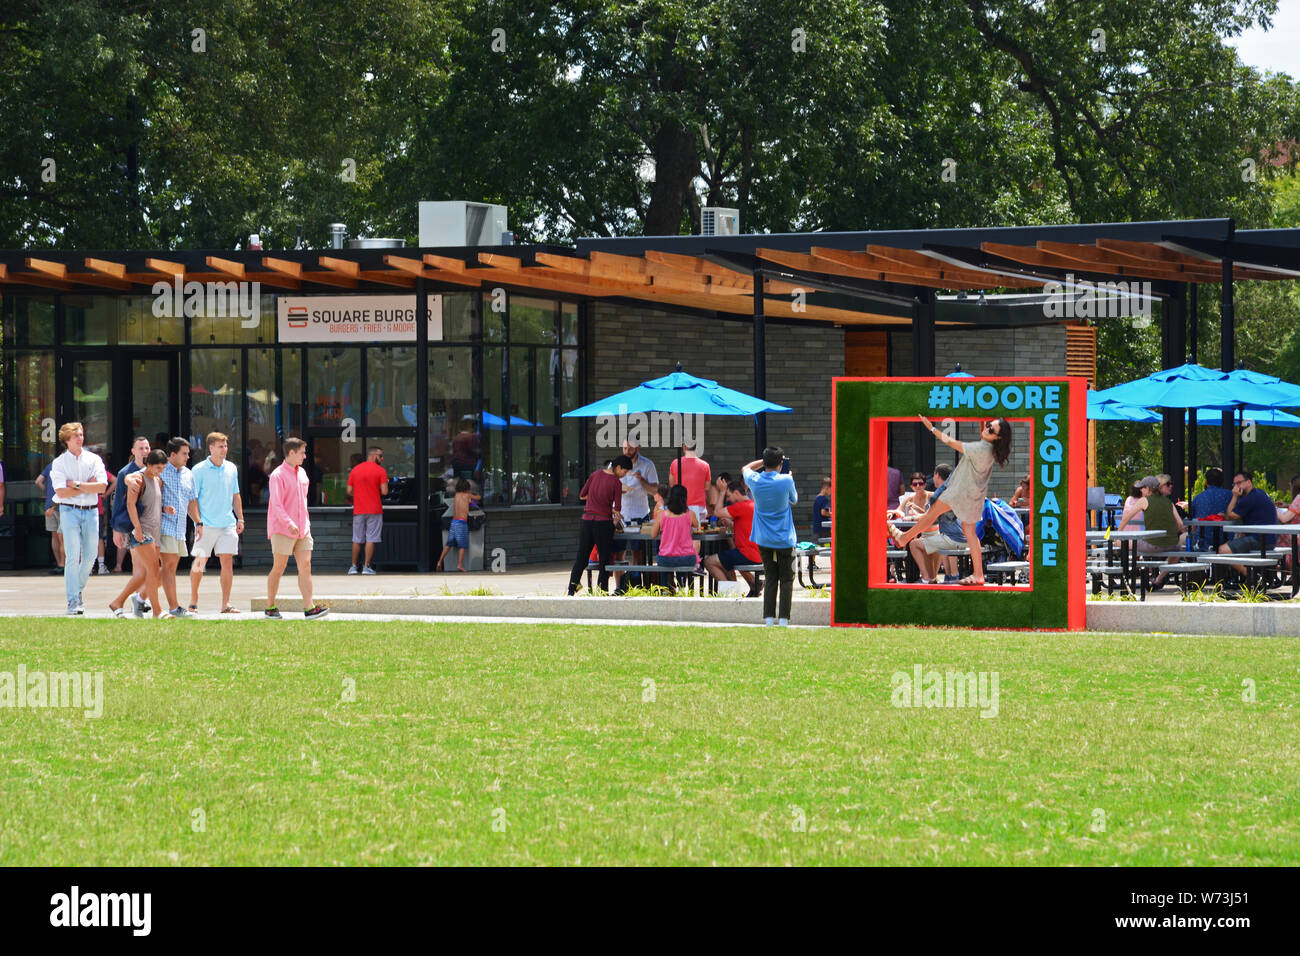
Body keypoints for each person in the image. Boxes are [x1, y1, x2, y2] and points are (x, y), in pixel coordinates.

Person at [893, 416, 1012, 586]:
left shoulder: (980, 449)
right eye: (987, 425)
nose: (986, 429)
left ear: (998, 438)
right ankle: (978, 574)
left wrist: (931, 428)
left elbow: (950, 442)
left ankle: (904, 538)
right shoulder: (991, 451)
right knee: (969, 531)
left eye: (990, 429)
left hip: (959, 492)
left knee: (930, 515)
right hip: (973, 495)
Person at [265, 437, 329, 619]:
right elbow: (276, 505)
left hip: (303, 529)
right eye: (302, 452)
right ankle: (270, 607)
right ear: (291, 453)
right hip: (282, 529)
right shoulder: (277, 475)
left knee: (305, 566)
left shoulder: (302, 474)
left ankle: (309, 608)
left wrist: (304, 525)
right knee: (279, 567)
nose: (305, 456)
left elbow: (302, 503)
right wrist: (289, 523)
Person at [49, 422, 108, 615]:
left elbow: (101, 487)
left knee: (90, 556)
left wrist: (74, 484)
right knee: (73, 556)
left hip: (91, 511)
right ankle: (73, 600)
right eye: (76, 435)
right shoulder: (59, 463)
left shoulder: (94, 459)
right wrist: (85, 485)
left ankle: (77, 590)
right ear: (67, 440)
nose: (80, 438)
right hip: (69, 511)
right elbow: (60, 492)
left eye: (81, 434)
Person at [108, 450, 169, 618]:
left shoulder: (157, 480)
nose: (160, 471)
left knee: (142, 574)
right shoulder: (138, 478)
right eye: (157, 468)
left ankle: (117, 602)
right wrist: (138, 528)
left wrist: (165, 509)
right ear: (148, 464)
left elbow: (151, 504)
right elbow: (130, 504)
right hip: (141, 530)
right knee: (153, 569)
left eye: (163, 468)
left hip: (154, 530)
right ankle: (157, 610)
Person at [190, 432, 246, 613]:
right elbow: (193, 499)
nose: (224, 450)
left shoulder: (231, 468)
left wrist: (240, 518)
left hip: (227, 524)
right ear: (211, 448)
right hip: (205, 525)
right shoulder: (198, 470)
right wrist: (198, 522)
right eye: (220, 446)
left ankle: (226, 604)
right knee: (200, 562)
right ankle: (193, 600)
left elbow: (236, 495)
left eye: (226, 446)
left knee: (227, 562)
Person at [743, 447, 798, 626]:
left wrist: (763, 461)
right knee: (787, 579)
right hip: (784, 539)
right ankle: (783, 619)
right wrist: (787, 475)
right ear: (781, 463)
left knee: (770, 576)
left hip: (763, 538)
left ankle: (768, 619)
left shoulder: (755, 480)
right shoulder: (786, 480)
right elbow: (794, 500)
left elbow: (745, 468)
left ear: (765, 464)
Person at [567, 454, 632, 595]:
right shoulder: (616, 482)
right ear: (618, 467)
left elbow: (582, 495)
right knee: (604, 560)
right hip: (603, 523)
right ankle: (602, 592)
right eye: (625, 472)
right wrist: (612, 514)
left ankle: (571, 590)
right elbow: (618, 509)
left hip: (586, 521)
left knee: (581, 558)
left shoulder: (594, 475)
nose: (624, 475)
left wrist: (596, 499)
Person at [1119, 475, 1186, 589]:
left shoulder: (1144, 501)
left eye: (1143, 488)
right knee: (1178, 551)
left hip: (1152, 545)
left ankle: (1124, 579)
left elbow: (1126, 518)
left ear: (1148, 488)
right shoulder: (1169, 502)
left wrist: (1118, 532)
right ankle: (1158, 580)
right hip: (1172, 545)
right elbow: (1180, 524)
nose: (1141, 490)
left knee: (1119, 542)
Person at [159, 437, 200, 618]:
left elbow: (191, 501)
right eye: (184, 453)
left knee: (170, 568)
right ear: (173, 454)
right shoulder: (159, 470)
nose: (187, 457)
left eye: (188, 453)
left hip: (180, 528)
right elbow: (142, 482)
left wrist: (198, 522)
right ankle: (174, 607)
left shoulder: (188, 474)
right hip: (164, 526)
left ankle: (140, 595)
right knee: (168, 567)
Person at [110, 437, 152, 610]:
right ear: (133, 451)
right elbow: (118, 503)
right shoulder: (125, 473)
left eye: (147, 448)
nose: (145, 451)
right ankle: (140, 598)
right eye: (141, 448)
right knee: (141, 564)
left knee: (148, 565)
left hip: (152, 523)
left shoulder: (154, 470)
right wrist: (116, 528)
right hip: (134, 524)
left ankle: (141, 596)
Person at [903, 468, 964, 584]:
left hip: (950, 537)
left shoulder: (940, 494)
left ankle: (927, 579)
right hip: (958, 536)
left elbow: (931, 517)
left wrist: (912, 517)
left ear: (937, 475)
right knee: (926, 542)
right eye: (915, 484)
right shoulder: (952, 491)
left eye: (920, 483)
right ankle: (948, 577)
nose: (918, 486)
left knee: (914, 544)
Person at [703, 478, 761, 594]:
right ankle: (752, 585)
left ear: (736, 493)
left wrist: (722, 491)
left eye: (729, 496)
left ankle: (730, 594)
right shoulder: (753, 505)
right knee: (726, 559)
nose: (728, 499)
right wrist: (733, 524)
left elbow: (717, 512)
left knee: (709, 561)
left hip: (747, 554)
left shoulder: (741, 506)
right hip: (756, 553)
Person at [1218, 470, 1279, 580]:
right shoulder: (1259, 493)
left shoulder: (1250, 498)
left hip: (1260, 540)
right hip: (1269, 539)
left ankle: (1252, 575)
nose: (1236, 487)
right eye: (1234, 484)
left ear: (1249, 482)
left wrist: (1235, 496)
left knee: (1223, 550)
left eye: (1239, 483)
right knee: (1231, 544)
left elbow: (1230, 515)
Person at [347, 445, 389, 574]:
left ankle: (353, 567)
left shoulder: (355, 470)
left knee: (357, 538)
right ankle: (366, 567)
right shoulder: (381, 471)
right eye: (380, 456)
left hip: (359, 509)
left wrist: (359, 495)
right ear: (373, 455)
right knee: (371, 538)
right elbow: (385, 491)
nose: (382, 459)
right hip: (374, 509)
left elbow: (349, 491)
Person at [653, 484, 701, 587]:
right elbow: (697, 527)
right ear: (685, 498)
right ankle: (682, 587)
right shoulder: (690, 514)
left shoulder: (662, 514)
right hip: (686, 557)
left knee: (665, 565)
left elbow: (653, 535)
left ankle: (666, 587)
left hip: (666, 558)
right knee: (683, 561)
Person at [436, 478, 481, 572]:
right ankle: (460, 565)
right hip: (462, 523)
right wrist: (474, 493)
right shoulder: (468, 495)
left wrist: (469, 501)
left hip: (454, 522)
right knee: (463, 545)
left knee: (449, 544)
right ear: (467, 488)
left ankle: (440, 561)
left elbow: (464, 502)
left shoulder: (457, 495)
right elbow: (478, 498)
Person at [1189, 467, 1233, 550]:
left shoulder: (1198, 498)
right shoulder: (1231, 496)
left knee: (1184, 539)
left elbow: (1193, 522)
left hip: (1202, 541)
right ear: (1222, 481)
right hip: (1227, 540)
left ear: (1206, 482)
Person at [36, 461, 66, 574]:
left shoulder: (50, 466)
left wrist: (47, 491)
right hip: (62, 505)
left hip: (49, 506)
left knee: (54, 536)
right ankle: (64, 564)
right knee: (63, 537)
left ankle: (59, 563)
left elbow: (38, 481)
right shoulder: (67, 465)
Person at [668, 443, 711, 521]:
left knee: (681, 532)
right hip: (699, 507)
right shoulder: (705, 465)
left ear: (684, 447)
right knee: (699, 531)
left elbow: (672, 485)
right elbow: (707, 487)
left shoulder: (675, 463)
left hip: (680, 506)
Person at [812, 476, 832, 542]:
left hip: (816, 530)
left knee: (817, 548)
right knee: (826, 549)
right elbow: (823, 512)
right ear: (827, 488)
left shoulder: (817, 498)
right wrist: (832, 514)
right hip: (824, 531)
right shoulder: (824, 500)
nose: (832, 492)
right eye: (831, 489)